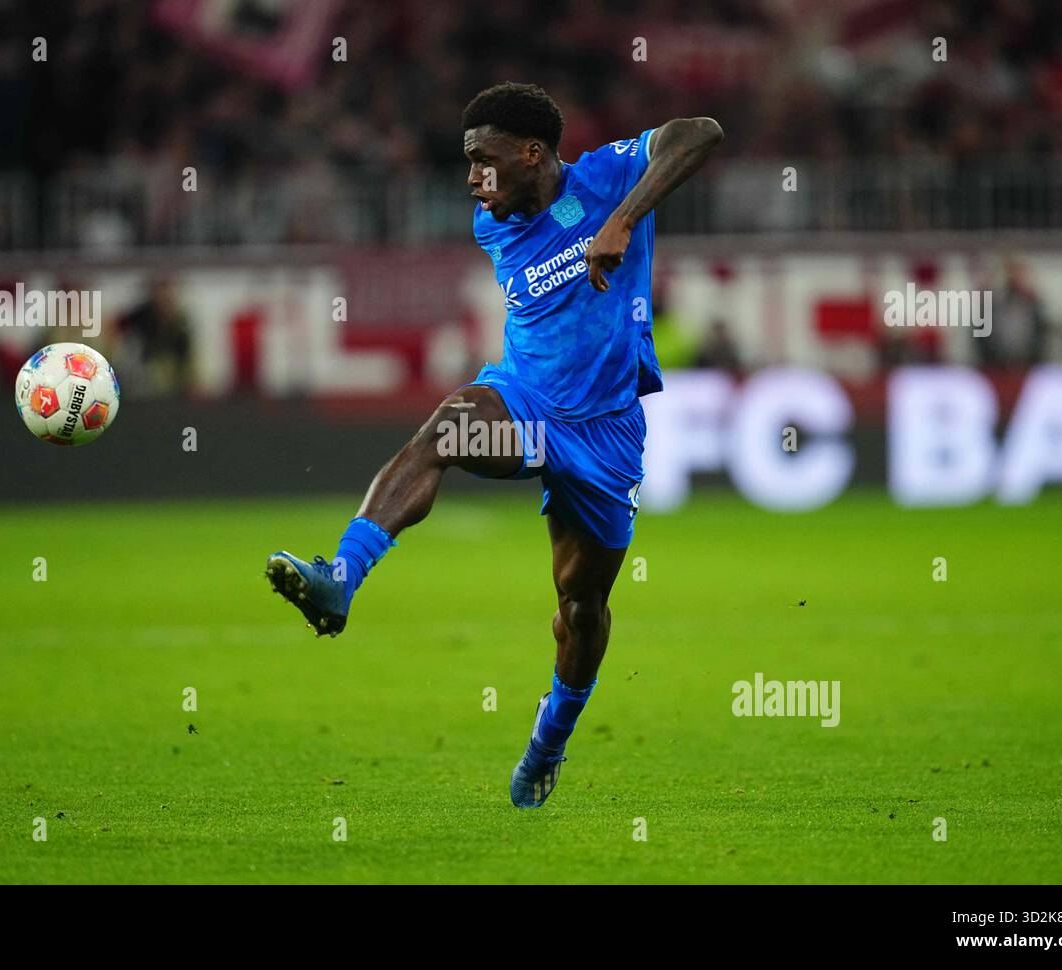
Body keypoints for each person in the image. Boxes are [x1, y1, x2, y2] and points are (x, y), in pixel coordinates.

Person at [265, 82, 722, 808]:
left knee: (580, 606)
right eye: (469, 162)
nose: (473, 178)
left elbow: (700, 128)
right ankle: (341, 577)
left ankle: (550, 737)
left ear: (532, 153)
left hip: (605, 437)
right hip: (528, 405)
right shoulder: (497, 224)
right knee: (444, 428)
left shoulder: (606, 176)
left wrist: (625, 219)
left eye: (484, 160)